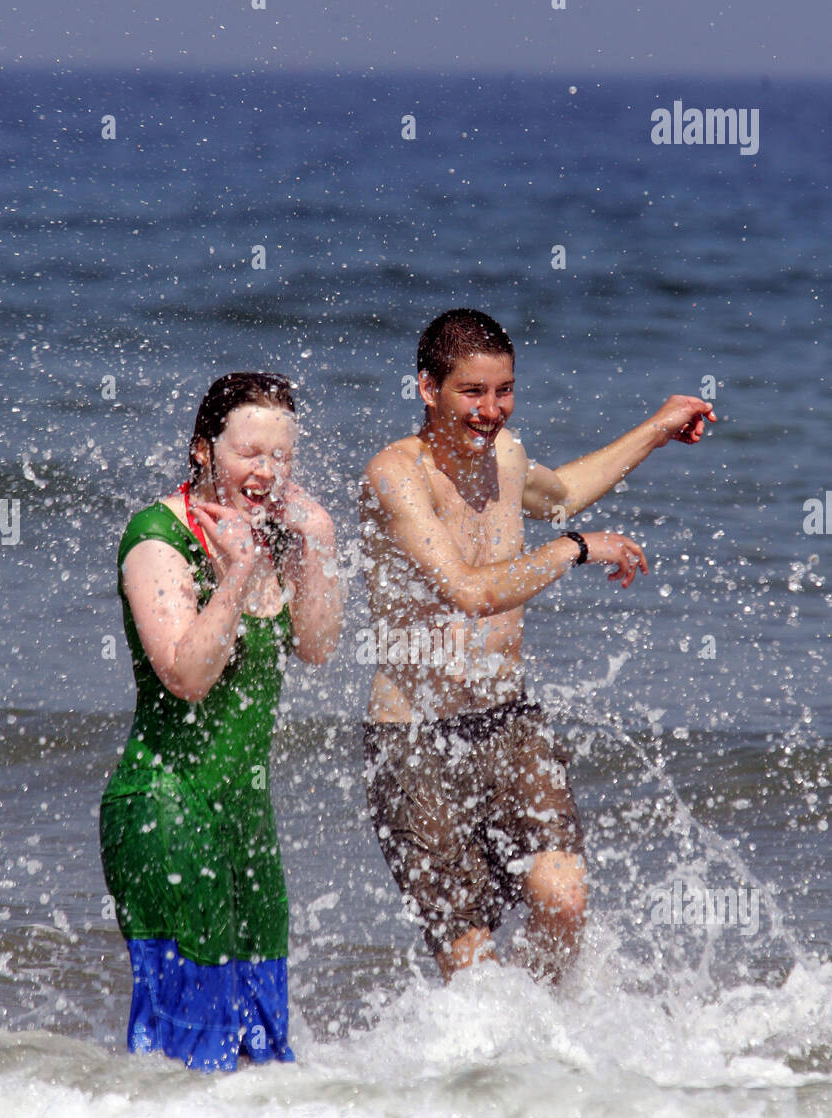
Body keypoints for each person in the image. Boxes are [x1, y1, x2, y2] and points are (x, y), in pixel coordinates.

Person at [360, 309, 716, 983]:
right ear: (428, 389)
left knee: (564, 899)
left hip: (509, 721)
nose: (491, 409)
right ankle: (488, 1065)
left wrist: (657, 428)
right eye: (473, 392)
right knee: (473, 971)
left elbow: (565, 495)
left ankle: (549, 1051)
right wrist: (572, 551)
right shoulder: (395, 476)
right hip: (414, 741)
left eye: (504, 391)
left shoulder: (508, 456)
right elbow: (467, 591)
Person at [100, 372, 342, 1069]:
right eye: (249, 454)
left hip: (246, 821)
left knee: (264, 1050)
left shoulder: (279, 534)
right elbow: (187, 676)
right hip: (165, 811)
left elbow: (318, 646)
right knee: (187, 1057)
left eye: (282, 458)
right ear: (203, 450)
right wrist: (235, 575)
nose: (267, 473)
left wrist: (318, 540)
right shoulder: (157, 537)